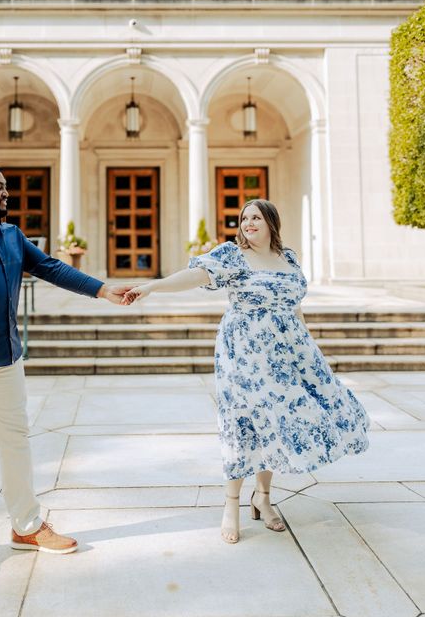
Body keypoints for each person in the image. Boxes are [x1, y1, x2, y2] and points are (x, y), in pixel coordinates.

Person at [0, 161, 131, 576]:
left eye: (6, 188)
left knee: (16, 442)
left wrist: (103, 289)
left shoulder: (10, 234)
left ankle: (27, 526)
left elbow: (50, 267)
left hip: (6, 357)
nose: (6, 194)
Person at [122, 199, 371, 543]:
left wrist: (309, 352)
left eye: (255, 217)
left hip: (287, 352)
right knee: (241, 421)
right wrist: (152, 286)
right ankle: (231, 504)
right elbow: (194, 276)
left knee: (275, 421)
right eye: (243, 218)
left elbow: (295, 308)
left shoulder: (289, 259)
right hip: (244, 352)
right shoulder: (232, 256)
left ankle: (263, 499)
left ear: (271, 221)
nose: (248, 223)